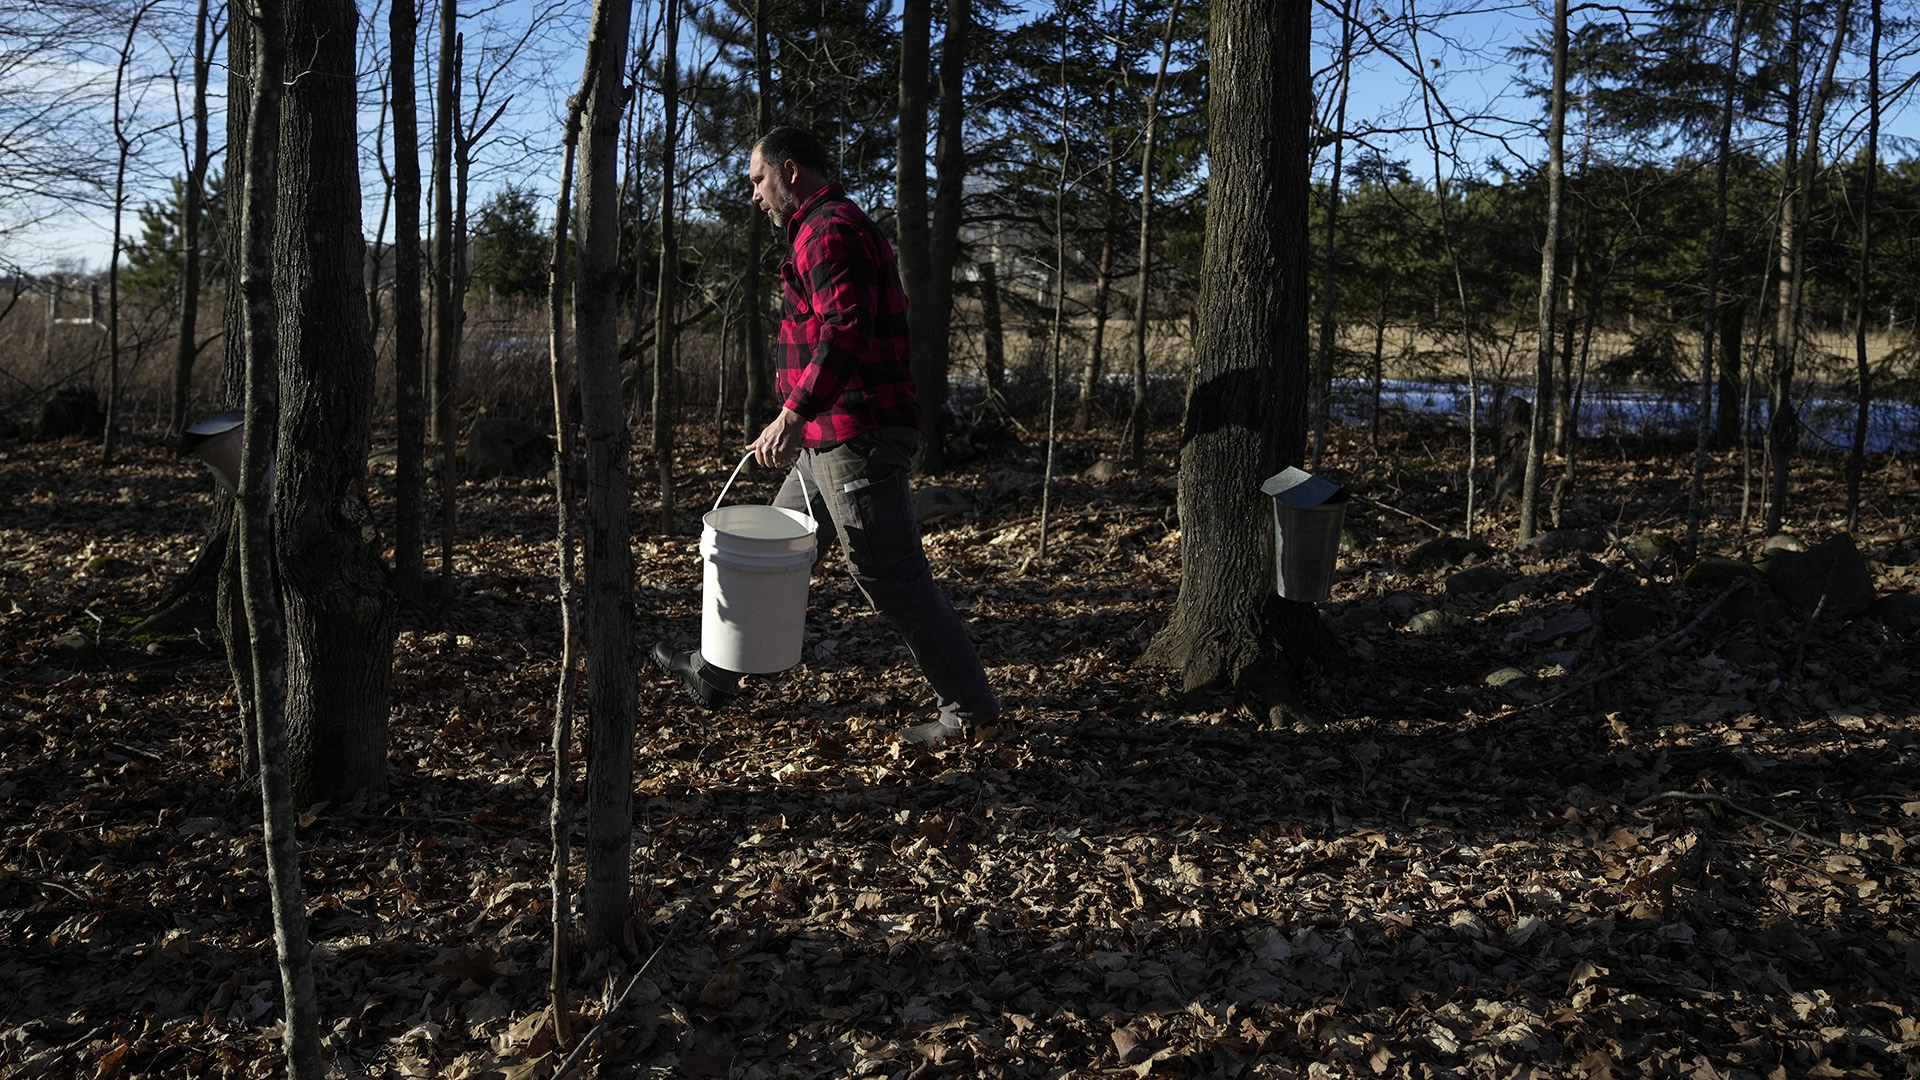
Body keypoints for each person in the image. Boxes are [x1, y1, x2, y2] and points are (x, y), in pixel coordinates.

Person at [651, 126, 998, 745]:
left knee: (890, 576)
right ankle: (714, 674)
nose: (754, 195)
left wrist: (790, 413)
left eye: (758, 180)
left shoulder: (828, 230)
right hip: (829, 433)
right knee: (770, 545)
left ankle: (969, 712)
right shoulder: (825, 227)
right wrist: (801, 418)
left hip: (855, 434)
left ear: (789, 171)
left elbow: (845, 331)